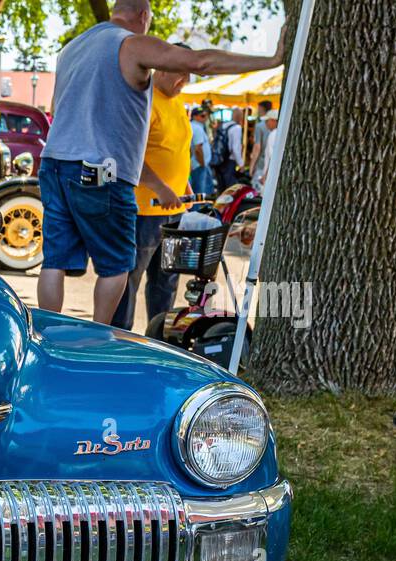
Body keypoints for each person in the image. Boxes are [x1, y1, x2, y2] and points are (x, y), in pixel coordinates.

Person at [37, 0, 283, 326]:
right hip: (100, 172)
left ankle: (43, 330)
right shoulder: (131, 42)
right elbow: (201, 61)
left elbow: (56, 106)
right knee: (116, 266)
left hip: (53, 163)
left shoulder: (71, 49)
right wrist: (272, 60)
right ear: (143, 16)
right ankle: (97, 340)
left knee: (53, 261)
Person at [114, 53, 193, 332]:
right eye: (182, 73)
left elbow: (177, 149)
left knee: (167, 282)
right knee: (129, 280)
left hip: (175, 210)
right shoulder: (145, 102)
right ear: (162, 68)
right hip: (144, 211)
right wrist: (161, 187)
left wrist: (184, 185)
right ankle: (119, 338)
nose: (186, 81)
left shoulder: (179, 102)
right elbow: (131, 154)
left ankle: (159, 339)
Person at [189, 105, 214, 197]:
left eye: (206, 116)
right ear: (195, 116)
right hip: (198, 165)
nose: (205, 118)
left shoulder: (195, 126)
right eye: (202, 116)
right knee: (199, 193)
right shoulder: (197, 128)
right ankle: (198, 210)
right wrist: (203, 164)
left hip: (197, 164)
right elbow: (198, 149)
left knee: (198, 192)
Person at [255, 108, 281, 192]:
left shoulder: (273, 135)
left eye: (267, 121)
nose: (266, 124)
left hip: (270, 177)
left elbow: (272, 158)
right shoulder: (278, 133)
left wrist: (265, 176)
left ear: (273, 121)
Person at [250, 98, 273, 182]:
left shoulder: (260, 126)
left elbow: (257, 147)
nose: (258, 111)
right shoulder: (277, 127)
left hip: (261, 162)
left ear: (262, 109)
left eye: (258, 109)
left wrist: (252, 165)